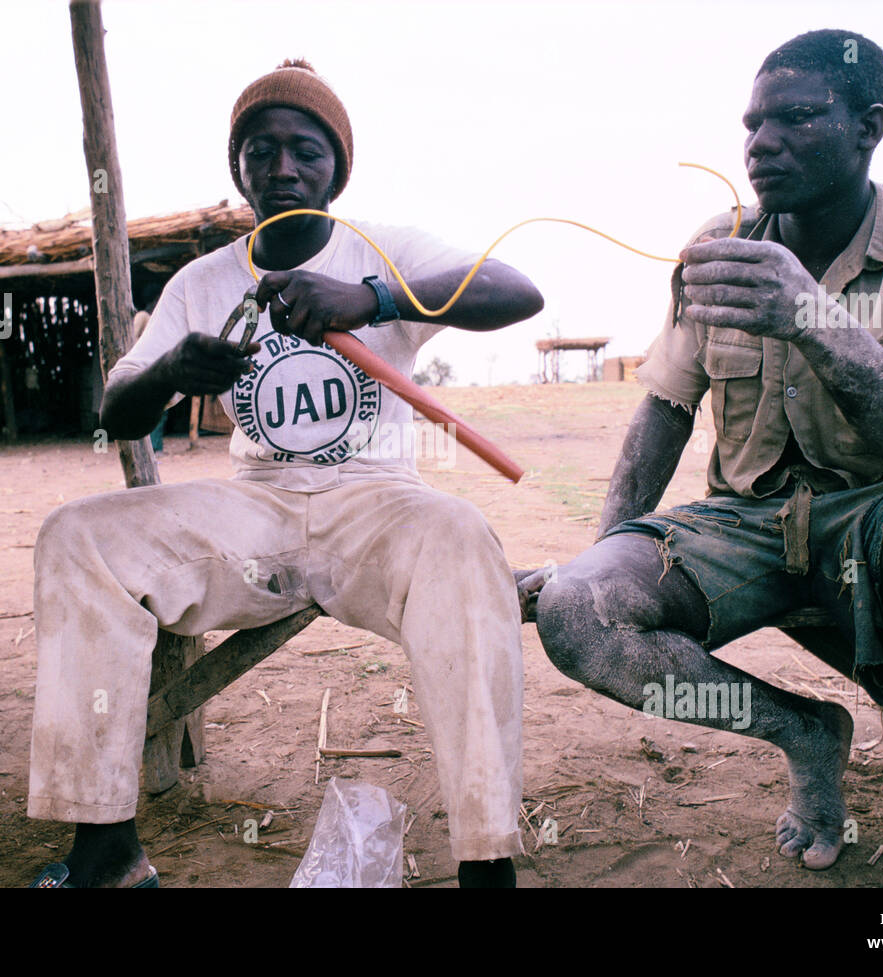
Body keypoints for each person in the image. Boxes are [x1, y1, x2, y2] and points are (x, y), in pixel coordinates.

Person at [521, 29, 883, 887]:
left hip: (880, 526)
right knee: (578, 609)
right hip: (743, 527)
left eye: (796, 119)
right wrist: (600, 546)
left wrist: (813, 317)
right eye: (752, 124)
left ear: (868, 125)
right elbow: (665, 408)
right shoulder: (722, 239)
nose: (760, 145)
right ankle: (803, 732)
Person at [27, 59, 543, 888]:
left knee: (461, 536)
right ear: (238, 168)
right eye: (260, 150)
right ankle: (108, 849)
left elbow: (517, 290)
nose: (283, 168)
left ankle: (487, 861)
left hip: (378, 507)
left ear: (337, 165)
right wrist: (167, 376)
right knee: (77, 536)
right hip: (255, 513)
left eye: (306, 149)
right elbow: (117, 409)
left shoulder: (382, 248)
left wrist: (369, 299)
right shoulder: (202, 282)